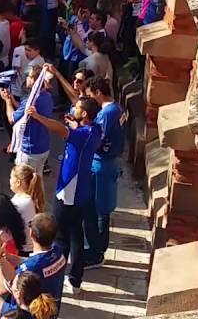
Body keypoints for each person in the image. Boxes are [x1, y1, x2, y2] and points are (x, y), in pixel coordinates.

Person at [26, 97, 102, 296]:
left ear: (84, 114)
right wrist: (76, 124)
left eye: (77, 108)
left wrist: (37, 116)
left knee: (61, 235)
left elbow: (59, 129)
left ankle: (59, 272)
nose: (73, 109)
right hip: (79, 189)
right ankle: (74, 277)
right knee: (75, 231)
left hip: (70, 190)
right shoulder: (93, 129)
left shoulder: (81, 134)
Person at [83, 76, 124, 269]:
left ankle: (96, 252)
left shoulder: (106, 114)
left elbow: (99, 138)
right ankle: (98, 248)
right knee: (103, 208)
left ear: (98, 92)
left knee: (99, 209)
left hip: (102, 164)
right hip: (109, 162)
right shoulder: (117, 108)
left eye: (92, 96)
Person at [0, 251, 57, 319]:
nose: (11, 283)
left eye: (12, 283)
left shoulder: (10, 314)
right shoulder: (43, 313)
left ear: (17, 294)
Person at [8, 164, 45, 254]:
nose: (9, 180)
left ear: (18, 182)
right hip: (29, 246)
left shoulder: (20, 203)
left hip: (23, 250)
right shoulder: (29, 197)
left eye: (11, 178)